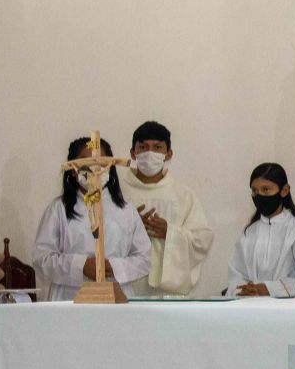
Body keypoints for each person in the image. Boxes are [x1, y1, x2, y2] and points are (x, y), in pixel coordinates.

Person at [33, 137, 152, 301]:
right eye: (87, 164)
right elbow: (42, 259)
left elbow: (144, 259)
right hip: (69, 298)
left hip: (115, 296)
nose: (95, 170)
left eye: (101, 164)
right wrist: (80, 266)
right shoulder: (58, 209)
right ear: (73, 170)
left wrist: (114, 267)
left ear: (110, 167)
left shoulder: (126, 211)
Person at [117, 121, 214, 296]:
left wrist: (169, 233)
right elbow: (97, 237)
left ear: (168, 154)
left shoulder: (183, 195)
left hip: (168, 295)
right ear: (133, 152)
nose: (149, 153)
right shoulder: (117, 193)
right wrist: (129, 227)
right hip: (125, 289)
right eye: (143, 147)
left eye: (157, 147)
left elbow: (202, 240)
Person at [227, 163, 295, 297]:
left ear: (284, 191)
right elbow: (235, 275)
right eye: (254, 190)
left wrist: (268, 289)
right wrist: (245, 289)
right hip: (252, 310)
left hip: (287, 312)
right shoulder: (249, 233)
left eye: (266, 189)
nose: (259, 195)